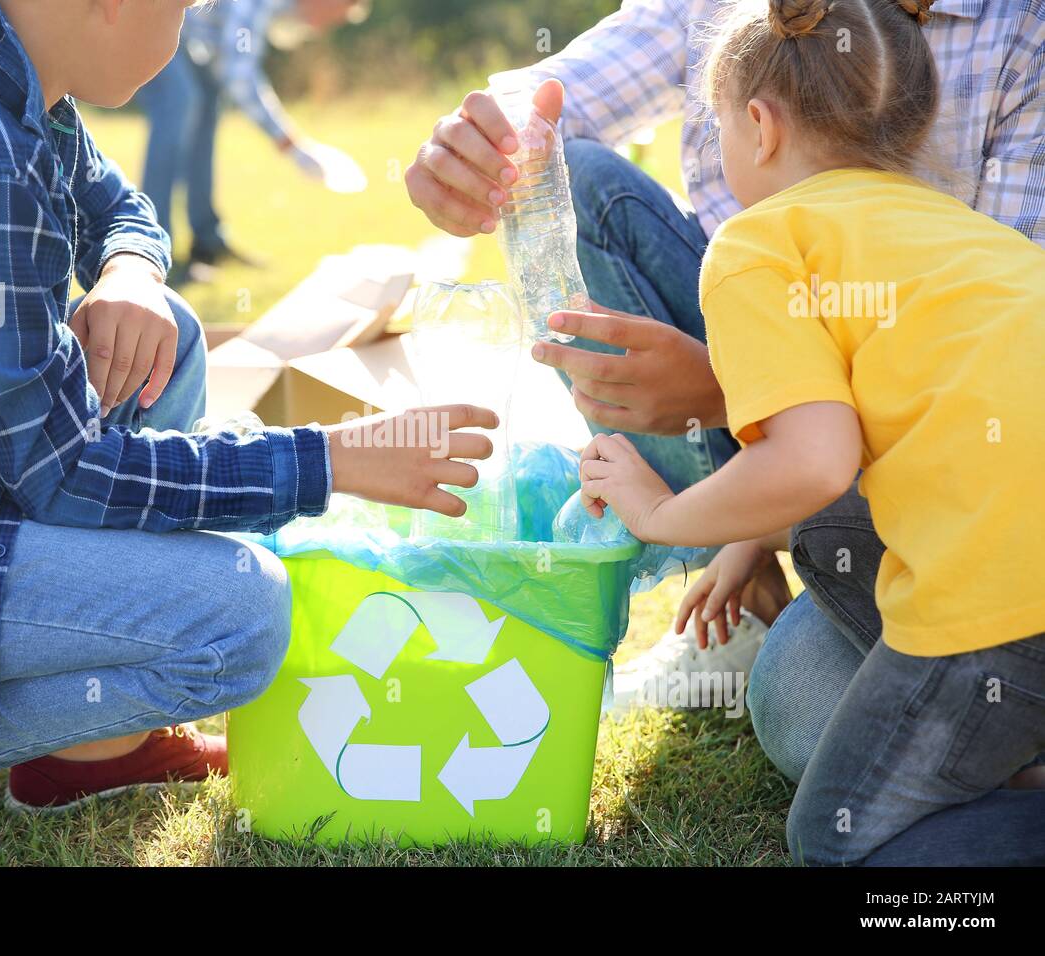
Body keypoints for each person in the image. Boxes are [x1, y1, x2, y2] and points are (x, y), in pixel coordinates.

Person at [0, 0, 495, 867]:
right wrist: (330, 460)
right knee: (242, 616)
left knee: (157, 334)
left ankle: (82, 755)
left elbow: (116, 201)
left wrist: (131, 266)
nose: (188, 23)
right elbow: (72, 477)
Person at [404, 0, 1045, 762]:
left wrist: (680, 484)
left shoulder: (1022, 32)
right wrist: (477, 147)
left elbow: (905, 416)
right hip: (881, 469)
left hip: (926, 478)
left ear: (760, 127)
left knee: (820, 730)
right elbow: (553, 95)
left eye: (722, 126)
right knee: (801, 702)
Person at [578, 0, 1045, 865]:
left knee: (841, 847)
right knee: (835, 535)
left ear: (757, 126)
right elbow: (867, 458)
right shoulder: (973, 238)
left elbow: (817, 458)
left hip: (1007, 598)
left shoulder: (762, 242)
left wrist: (657, 513)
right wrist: (745, 534)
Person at [139, 0, 364, 283]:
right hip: (153, 17)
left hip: (189, 38)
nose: (319, 29)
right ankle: (152, 252)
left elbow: (225, 64)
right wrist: (289, 144)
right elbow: (240, 77)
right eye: (330, 16)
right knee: (181, 101)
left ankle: (207, 242)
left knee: (208, 100)